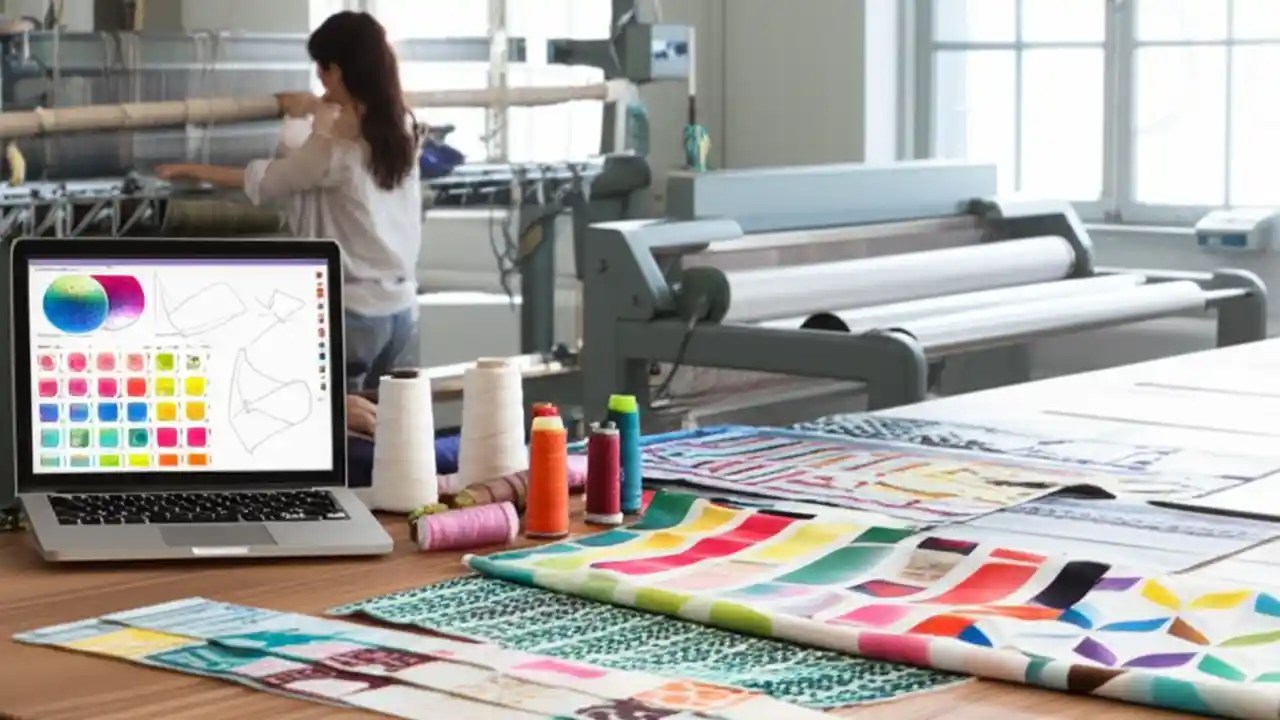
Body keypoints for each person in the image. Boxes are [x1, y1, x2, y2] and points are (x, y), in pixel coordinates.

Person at [156, 11, 423, 398]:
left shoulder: (333, 149)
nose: (320, 79)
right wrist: (315, 112)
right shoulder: (403, 130)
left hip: (355, 314)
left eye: (321, 69)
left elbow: (274, 179)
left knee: (342, 425)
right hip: (402, 310)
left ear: (336, 71)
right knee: (396, 422)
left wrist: (193, 169)